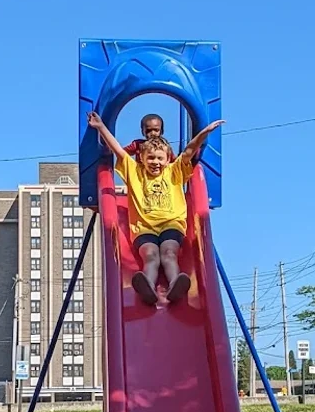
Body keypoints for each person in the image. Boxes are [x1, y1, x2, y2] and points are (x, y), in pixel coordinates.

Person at [87, 111, 225, 304]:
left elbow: (189, 151)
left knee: (169, 252)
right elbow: (117, 149)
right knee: (151, 255)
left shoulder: (174, 171)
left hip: (171, 225)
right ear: (141, 158)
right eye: (150, 158)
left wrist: (204, 132)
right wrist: (101, 127)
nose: (155, 162)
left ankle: (175, 282)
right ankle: (148, 288)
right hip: (144, 229)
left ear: (167, 159)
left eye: (160, 158)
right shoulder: (134, 171)